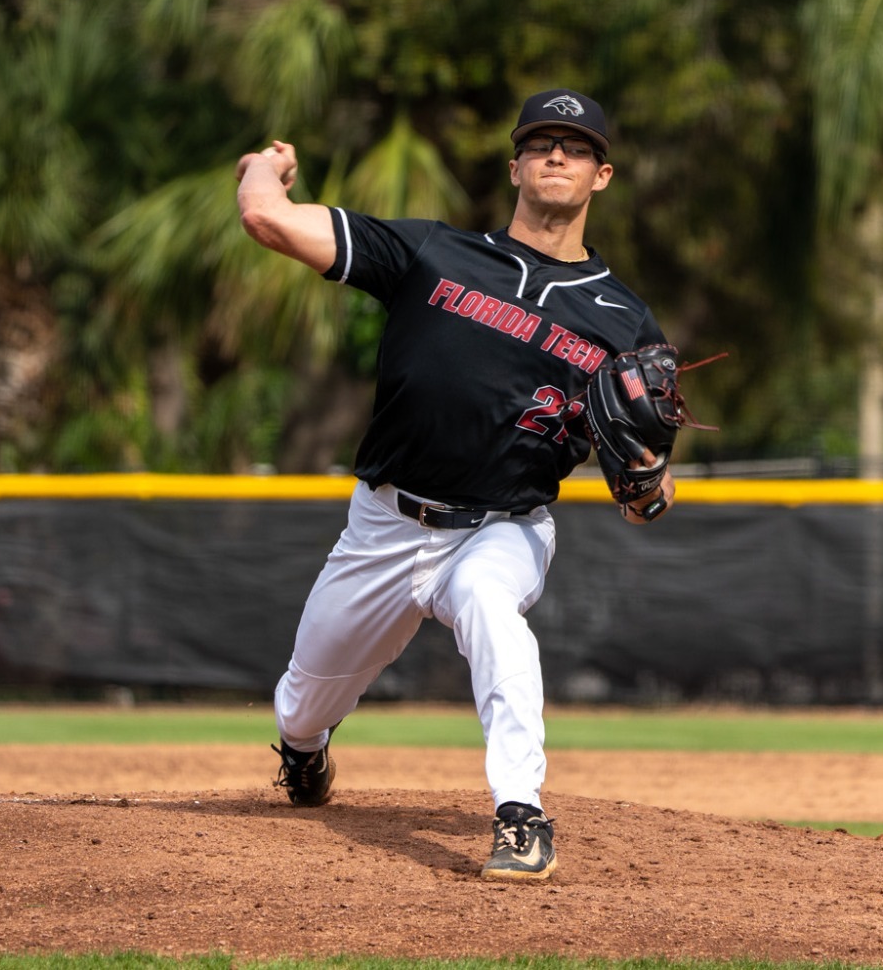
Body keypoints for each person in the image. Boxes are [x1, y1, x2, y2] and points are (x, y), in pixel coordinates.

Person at [234, 88, 675, 881]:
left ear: (601, 176)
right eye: (541, 142)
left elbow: (647, 482)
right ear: (514, 165)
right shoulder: (432, 252)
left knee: (485, 599)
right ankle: (306, 754)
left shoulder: (625, 324)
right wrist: (262, 170)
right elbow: (269, 220)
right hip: (384, 523)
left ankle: (521, 815)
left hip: (504, 526)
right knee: (300, 707)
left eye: (574, 147)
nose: (556, 155)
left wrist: (646, 484)